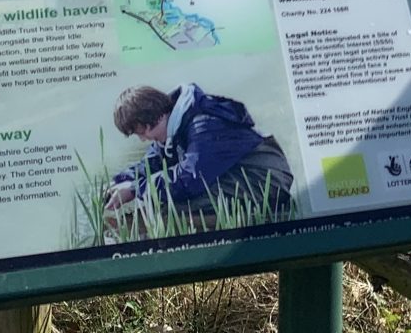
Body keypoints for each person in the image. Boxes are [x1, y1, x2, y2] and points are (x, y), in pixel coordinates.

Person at [104, 82, 296, 232]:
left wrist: (135, 189)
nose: (143, 139)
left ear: (155, 117)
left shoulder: (203, 125)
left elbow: (191, 178)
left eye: (142, 132)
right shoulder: (172, 126)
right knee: (160, 197)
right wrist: (121, 181)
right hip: (234, 174)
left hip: (263, 178)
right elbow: (151, 163)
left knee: (170, 206)